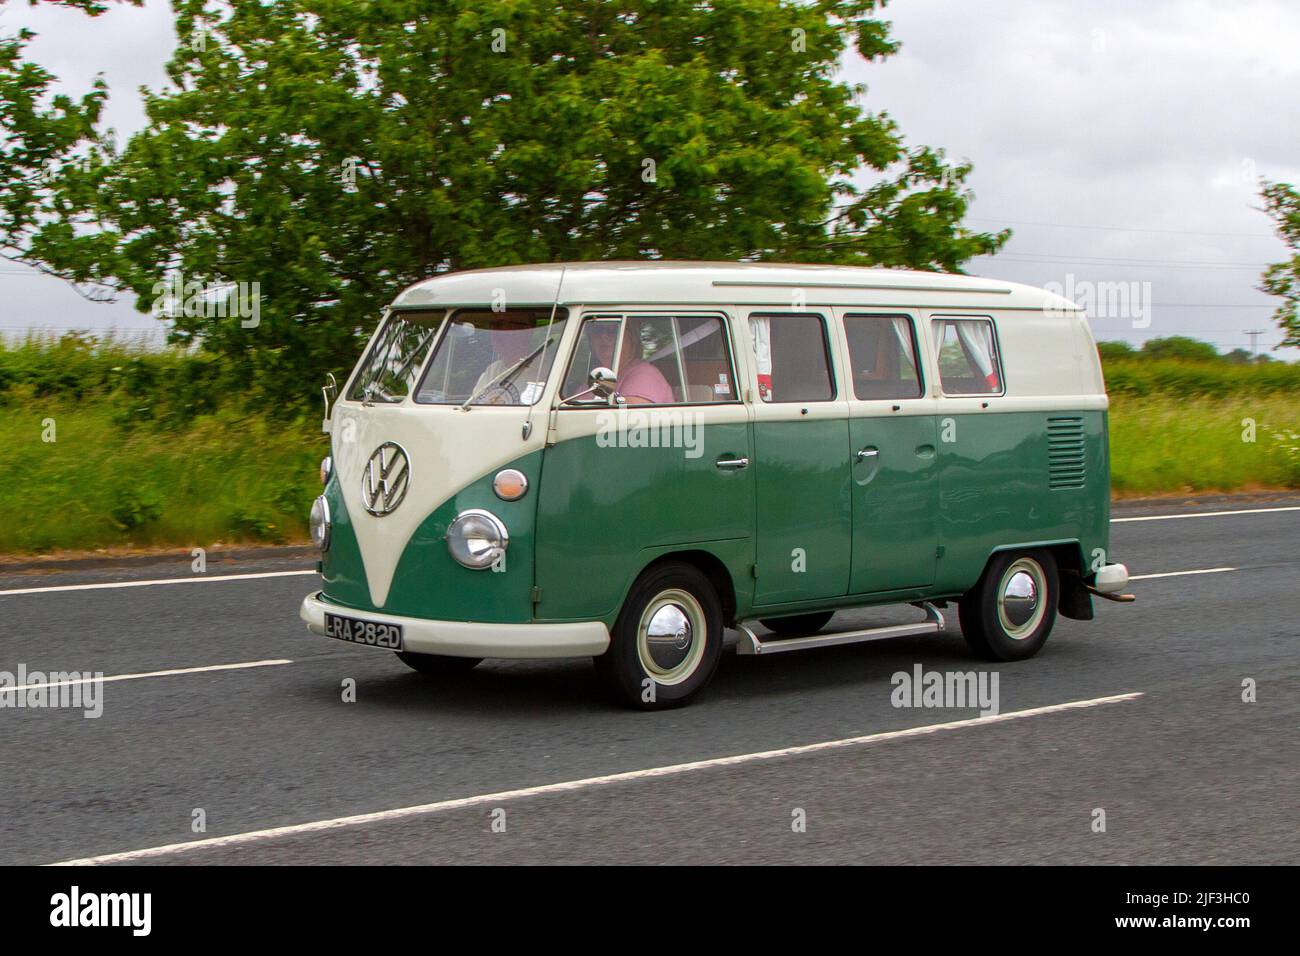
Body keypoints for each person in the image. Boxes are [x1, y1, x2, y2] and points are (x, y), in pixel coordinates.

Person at [587, 320, 674, 405]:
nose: (603, 336)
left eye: (613, 330)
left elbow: (626, 416)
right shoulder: (597, 377)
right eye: (598, 331)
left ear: (632, 340)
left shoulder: (645, 373)